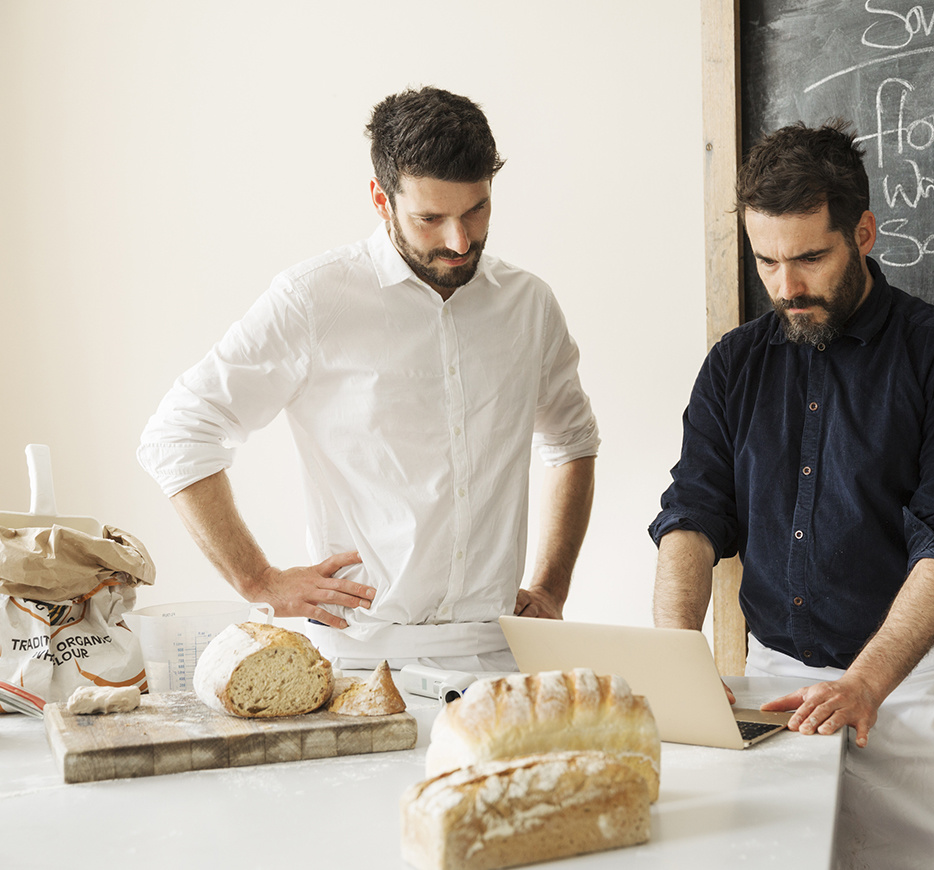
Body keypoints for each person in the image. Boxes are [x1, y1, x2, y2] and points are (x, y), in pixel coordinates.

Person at [649, 120, 934, 869]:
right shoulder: (734, 363)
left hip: (919, 691)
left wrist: (864, 683)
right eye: (767, 261)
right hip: (773, 690)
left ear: (863, 232)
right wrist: (675, 656)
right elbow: (692, 515)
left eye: (809, 259)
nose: (786, 287)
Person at [139, 87, 599, 672]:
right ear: (381, 199)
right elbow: (177, 434)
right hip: (358, 656)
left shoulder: (529, 304)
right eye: (430, 218)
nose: (459, 242)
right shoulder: (313, 299)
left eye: (476, 210)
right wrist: (258, 579)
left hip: (500, 654)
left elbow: (573, 442)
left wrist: (552, 587)